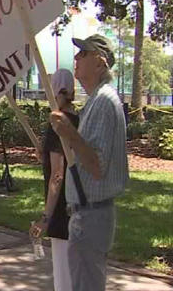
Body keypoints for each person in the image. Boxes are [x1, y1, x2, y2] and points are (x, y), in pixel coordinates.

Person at [49, 34, 129, 291]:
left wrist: (70, 134)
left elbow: (96, 166)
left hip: (91, 216)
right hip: (87, 214)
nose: (76, 58)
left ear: (100, 63)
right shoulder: (96, 100)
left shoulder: (104, 101)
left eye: (83, 53)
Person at [31, 69, 78, 291]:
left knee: (64, 281)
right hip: (81, 208)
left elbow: (57, 175)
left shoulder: (57, 126)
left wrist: (45, 217)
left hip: (61, 212)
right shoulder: (80, 121)